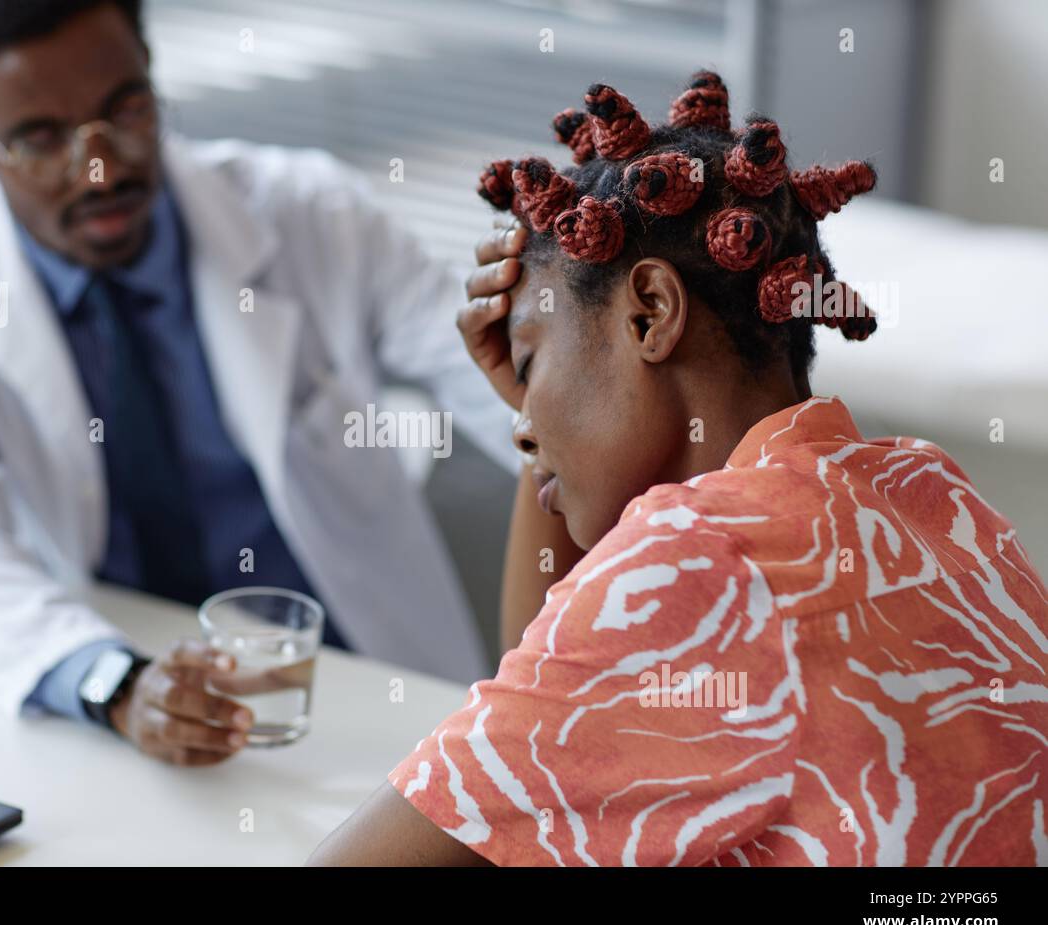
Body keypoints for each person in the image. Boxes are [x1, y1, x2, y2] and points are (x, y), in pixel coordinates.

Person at [310, 72, 1048, 865]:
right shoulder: (927, 491)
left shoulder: (700, 558)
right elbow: (544, 743)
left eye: (530, 361)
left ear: (651, 313)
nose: (523, 428)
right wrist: (540, 408)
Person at [0, 0, 516, 767]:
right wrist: (111, 682)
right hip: (107, 675)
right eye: (41, 138)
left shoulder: (311, 209)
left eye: (124, 109)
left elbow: (500, 386)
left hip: (355, 672)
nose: (102, 168)